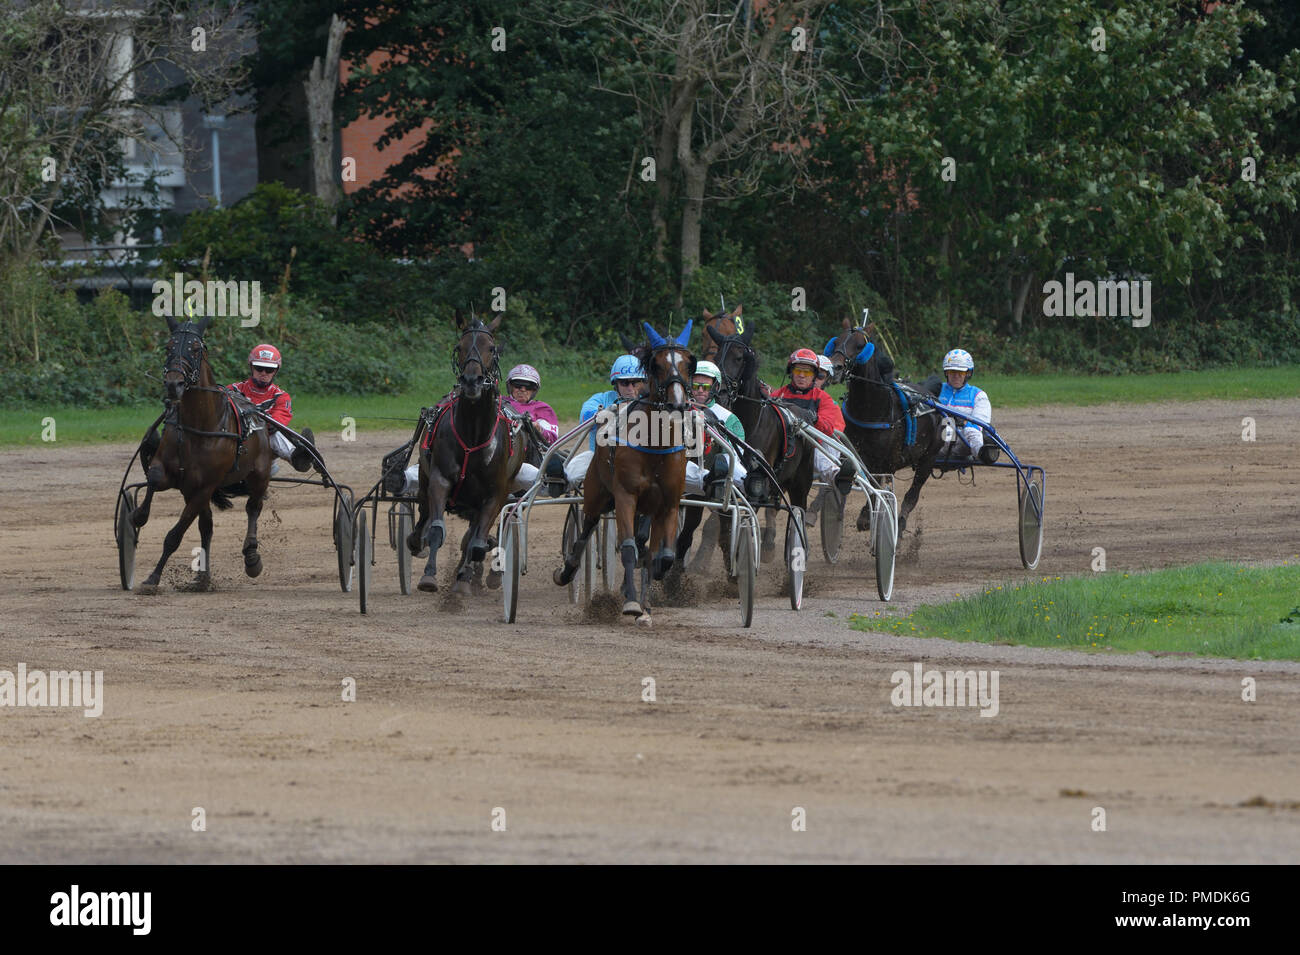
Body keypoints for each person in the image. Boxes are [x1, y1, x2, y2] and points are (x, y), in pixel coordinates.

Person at [548, 354, 646, 495]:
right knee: (572, 475)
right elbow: (586, 414)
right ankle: (559, 480)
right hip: (598, 457)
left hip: (641, 459)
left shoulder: (649, 402)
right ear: (616, 383)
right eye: (625, 383)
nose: (630, 388)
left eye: (635, 382)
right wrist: (605, 415)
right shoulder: (602, 399)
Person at [771, 348, 854, 497]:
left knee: (817, 454)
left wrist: (814, 418)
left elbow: (828, 429)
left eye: (807, 372)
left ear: (814, 375)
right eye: (798, 371)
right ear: (791, 372)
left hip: (811, 447)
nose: (802, 376)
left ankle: (836, 476)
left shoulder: (823, 398)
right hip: (782, 446)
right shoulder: (778, 395)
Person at [683, 360, 747, 495]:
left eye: (705, 387)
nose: (700, 390)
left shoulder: (729, 418)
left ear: (715, 388)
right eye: (695, 386)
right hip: (683, 468)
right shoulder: (676, 410)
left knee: (728, 460)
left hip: (717, 467)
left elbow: (732, 458)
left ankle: (748, 483)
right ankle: (707, 480)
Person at [937, 348, 998, 464]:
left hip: (962, 444)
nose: (956, 376)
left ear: (968, 373)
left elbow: (980, 423)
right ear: (946, 373)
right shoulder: (937, 389)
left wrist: (961, 422)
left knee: (972, 428)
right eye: (952, 372)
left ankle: (981, 453)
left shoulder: (978, 396)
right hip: (936, 441)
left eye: (960, 373)